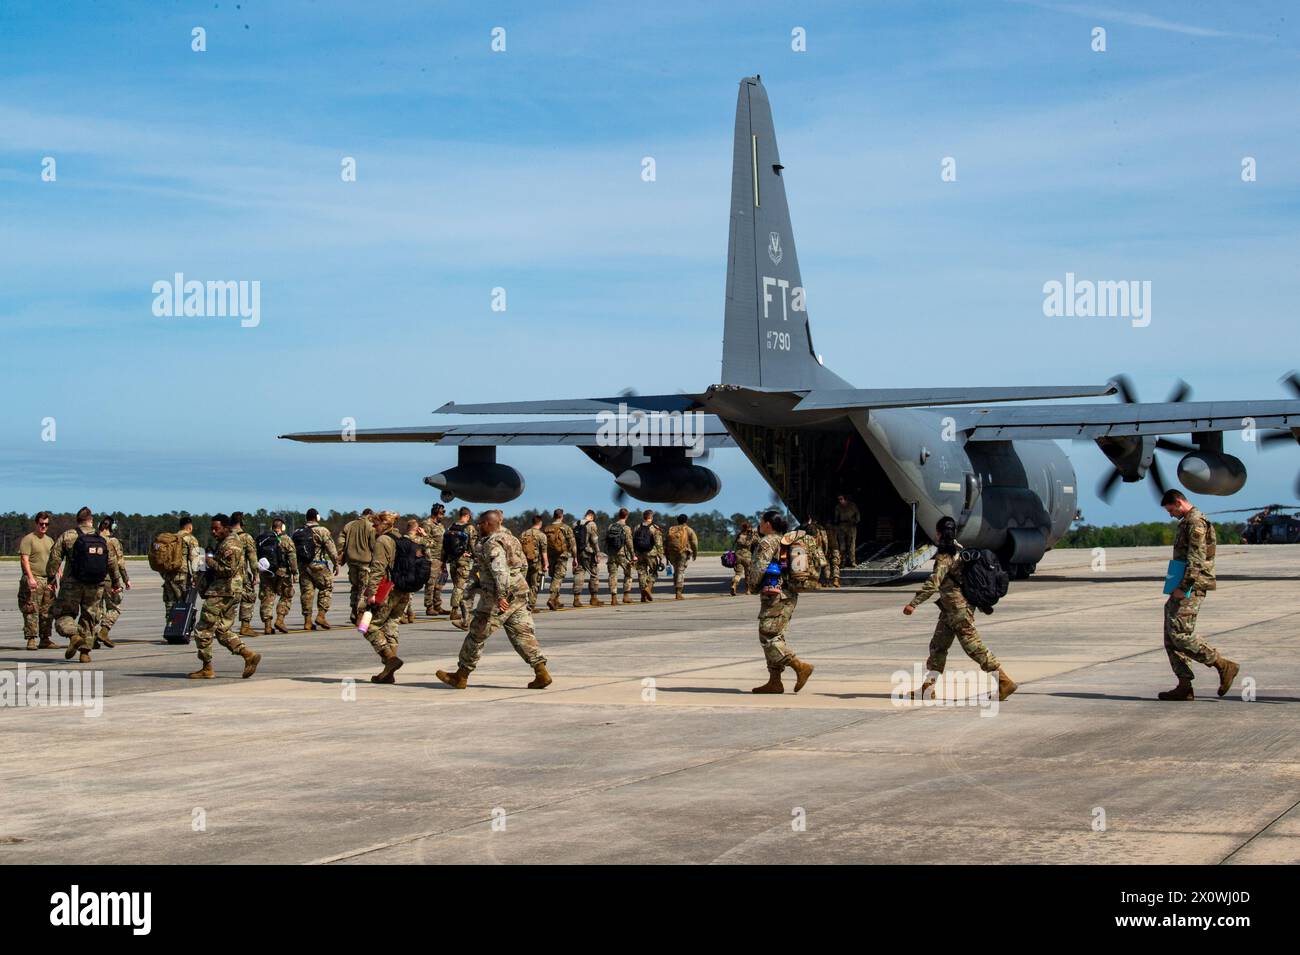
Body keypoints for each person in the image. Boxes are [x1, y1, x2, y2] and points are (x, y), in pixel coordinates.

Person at [903, 516, 1016, 702]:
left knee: (973, 647)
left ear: (938, 533)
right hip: (950, 610)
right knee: (938, 646)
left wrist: (913, 603)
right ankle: (928, 689)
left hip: (958, 610)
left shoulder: (945, 556)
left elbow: (934, 583)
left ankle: (1004, 681)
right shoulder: (959, 549)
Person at [436, 509, 551, 690]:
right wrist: (515, 586)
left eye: (481, 523)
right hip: (519, 594)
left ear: (489, 524)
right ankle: (541, 671)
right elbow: (523, 565)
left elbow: (500, 570)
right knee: (522, 633)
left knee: (476, 634)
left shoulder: (492, 543)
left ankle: (461, 675)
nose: (478, 526)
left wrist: (501, 595)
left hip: (498, 598)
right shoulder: (511, 539)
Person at [1156, 490, 1239, 701]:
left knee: (1180, 635)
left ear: (1178, 502)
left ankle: (1222, 665)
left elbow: (1196, 560)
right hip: (1181, 584)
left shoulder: (1196, 524)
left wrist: (1183, 587)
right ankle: (1184, 685)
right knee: (1170, 636)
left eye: (1171, 509)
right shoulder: (1187, 522)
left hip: (1191, 586)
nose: (1171, 514)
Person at [745, 511, 814, 693]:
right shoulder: (785, 540)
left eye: (761, 521)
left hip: (775, 595)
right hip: (788, 594)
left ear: (768, 524)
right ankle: (775, 681)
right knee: (776, 635)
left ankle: (800, 666)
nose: (759, 524)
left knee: (767, 635)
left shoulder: (767, 541)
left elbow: (759, 567)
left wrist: (751, 585)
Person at [189, 514, 262, 679]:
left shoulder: (231, 544)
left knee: (203, 629)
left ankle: (207, 667)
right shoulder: (226, 542)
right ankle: (248, 655)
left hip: (222, 591)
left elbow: (228, 570)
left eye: (217, 528)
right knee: (222, 630)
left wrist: (209, 561)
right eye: (212, 529)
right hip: (230, 591)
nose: (214, 532)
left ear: (226, 527)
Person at [46, 507, 121, 663]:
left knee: (62, 614)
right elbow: (112, 562)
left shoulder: (68, 536)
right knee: (89, 617)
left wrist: (51, 578)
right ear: (91, 520)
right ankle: (85, 653)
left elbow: (54, 557)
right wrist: (115, 582)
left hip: (71, 584)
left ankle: (74, 636)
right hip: (95, 585)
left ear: (78, 520)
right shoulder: (103, 539)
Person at [359, 511, 407, 684]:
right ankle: (388, 673)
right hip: (403, 590)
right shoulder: (401, 539)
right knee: (391, 628)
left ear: (384, 524)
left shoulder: (383, 540)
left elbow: (378, 568)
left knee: (367, 625)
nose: (373, 527)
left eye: (376, 524)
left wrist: (371, 592)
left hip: (388, 590)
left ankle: (389, 659)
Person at [297, 507, 340, 630]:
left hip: (303, 566)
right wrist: (336, 564)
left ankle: (307, 621)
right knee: (326, 587)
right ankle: (321, 615)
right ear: (317, 517)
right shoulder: (322, 530)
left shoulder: (299, 531)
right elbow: (331, 549)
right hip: (318, 564)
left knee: (307, 593)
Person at [19, 512, 57, 650]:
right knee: (31, 610)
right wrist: (30, 578)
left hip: (47, 580)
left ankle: (45, 638)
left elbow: (54, 559)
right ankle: (31, 639)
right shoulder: (28, 539)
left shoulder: (50, 540)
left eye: (46, 524)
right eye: (41, 524)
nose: (44, 526)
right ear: (36, 523)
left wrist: (55, 577)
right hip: (34, 579)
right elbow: (24, 559)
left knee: (47, 611)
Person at [257, 517, 298, 634]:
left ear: (272, 527)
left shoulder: (263, 539)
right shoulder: (286, 540)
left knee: (267, 597)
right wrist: (295, 572)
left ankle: (267, 626)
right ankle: (280, 619)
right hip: (282, 572)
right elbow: (292, 557)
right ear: (283, 527)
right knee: (287, 594)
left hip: (266, 572)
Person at [94, 516, 130, 648]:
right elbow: (119, 563)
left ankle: (91, 637)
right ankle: (104, 631)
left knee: (96, 609)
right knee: (115, 607)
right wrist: (125, 579)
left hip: (93, 580)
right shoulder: (113, 542)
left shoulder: (92, 540)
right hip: (109, 579)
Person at [158, 515, 202, 622]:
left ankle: (170, 627)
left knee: (170, 603)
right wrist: (196, 578)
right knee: (183, 604)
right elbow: (195, 559)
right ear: (190, 527)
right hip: (182, 576)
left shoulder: (171, 538)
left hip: (168, 575)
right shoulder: (191, 539)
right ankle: (180, 628)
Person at [338, 508, 375, 624]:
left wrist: (342, 552)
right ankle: (360, 614)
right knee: (364, 589)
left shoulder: (349, 525)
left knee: (355, 587)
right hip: (365, 562)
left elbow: (340, 540)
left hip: (351, 562)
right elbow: (373, 545)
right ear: (369, 515)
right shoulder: (370, 526)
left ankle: (353, 611)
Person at [445, 507, 478, 628]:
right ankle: (454, 611)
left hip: (452, 560)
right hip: (463, 560)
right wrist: (475, 556)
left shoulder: (451, 526)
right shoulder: (469, 528)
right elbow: (473, 545)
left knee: (456, 586)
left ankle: (456, 609)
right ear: (468, 515)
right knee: (460, 586)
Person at [229, 511, 260, 638]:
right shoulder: (246, 537)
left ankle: (226, 626)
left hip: (225, 574)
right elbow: (253, 559)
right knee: (248, 596)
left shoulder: (226, 536)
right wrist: (256, 574)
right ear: (242, 522)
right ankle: (245, 626)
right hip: (241, 574)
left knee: (228, 601)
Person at [543, 508, 577, 610]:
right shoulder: (565, 528)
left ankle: (556, 601)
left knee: (554, 577)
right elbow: (573, 544)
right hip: (562, 556)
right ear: (561, 516)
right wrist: (575, 557)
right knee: (558, 577)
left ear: (554, 516)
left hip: (550, 556)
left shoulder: (547, 528)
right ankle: (552, 598)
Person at [420, 503, 448, 616]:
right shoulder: (427, 524)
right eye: (442, 513)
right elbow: (424, 542)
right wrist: (429, 559)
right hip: (432, 558)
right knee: (430, 583)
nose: (443, 515)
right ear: (436, 512)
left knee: (439, 583)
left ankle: (437, 605)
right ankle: (429, 607)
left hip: (441, 558)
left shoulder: (440, 526)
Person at [604, 507, 635, 604]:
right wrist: (633, 554)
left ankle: (613, 598)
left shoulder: (611, 526)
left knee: (612, 575)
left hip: (612, 554)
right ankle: (626, 596)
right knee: (628, 574)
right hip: (622, 555)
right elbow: (629, 543)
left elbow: (607, 540)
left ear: (618, 515)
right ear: (627, 516)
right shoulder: (626, 528)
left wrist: (608, 552)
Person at [665, 514, 699, 600]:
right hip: (683, 552)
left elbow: (666, 541)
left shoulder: (672, 529)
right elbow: (694, 543)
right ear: (686, 521)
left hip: (672, 553)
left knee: (676, 571)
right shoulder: (688, 529)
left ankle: (676, 589)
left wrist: (666, 553)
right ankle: (678, 592)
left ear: (678, 520)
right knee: (680, 571)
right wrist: (695, 553)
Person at [632, 510, 663, 602]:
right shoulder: (654, 527)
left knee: (641, 573)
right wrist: (660, 554)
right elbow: (658, 542)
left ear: (643, 517)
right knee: (654, 572)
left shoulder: (637, 527)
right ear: (651, 517)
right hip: (651, 553)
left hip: (639, 553)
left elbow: (633, 541)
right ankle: (648, 588)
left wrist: (633, 553)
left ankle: (643, 596)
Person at [574, 509, 603, 606]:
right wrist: (598, 553)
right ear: (591, 516)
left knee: (579, 574)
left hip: (578, 553)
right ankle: (594, 598)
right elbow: (594, 541)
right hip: (588, 553)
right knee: (594, 574)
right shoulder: (592, 524)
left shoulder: (575, 524)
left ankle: (576, 599)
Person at [519, 514, 549, 610]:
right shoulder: (541, 535)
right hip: (536, 563)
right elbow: (544, 551)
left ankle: (523, 604)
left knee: (525, 584)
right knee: (534, 584)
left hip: (524, 563)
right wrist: (546, 564)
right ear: (540, 523)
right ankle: (531, 605)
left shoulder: (523, 534)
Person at [832, 494, 860, 584]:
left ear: (845, 499)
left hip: (851, 525)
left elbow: (857, 514)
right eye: (839, 499)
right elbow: (836, 517)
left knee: (851, 544)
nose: (840, 501)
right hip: (842, 526)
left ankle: (852, 561)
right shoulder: (838, 507)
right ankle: (843, 561)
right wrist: (835, 523)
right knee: (842, 545)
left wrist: (856, 521)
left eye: (841, 499)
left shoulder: (852, 505)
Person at [728, 520, 755, 597]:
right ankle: (748, 590)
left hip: (738, 557)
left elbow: (733, 545)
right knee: (748, 574)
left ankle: (734, 585)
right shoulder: (750, 537)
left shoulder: (739, 535)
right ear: (749, 528)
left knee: (738, 574)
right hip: (747, 557)